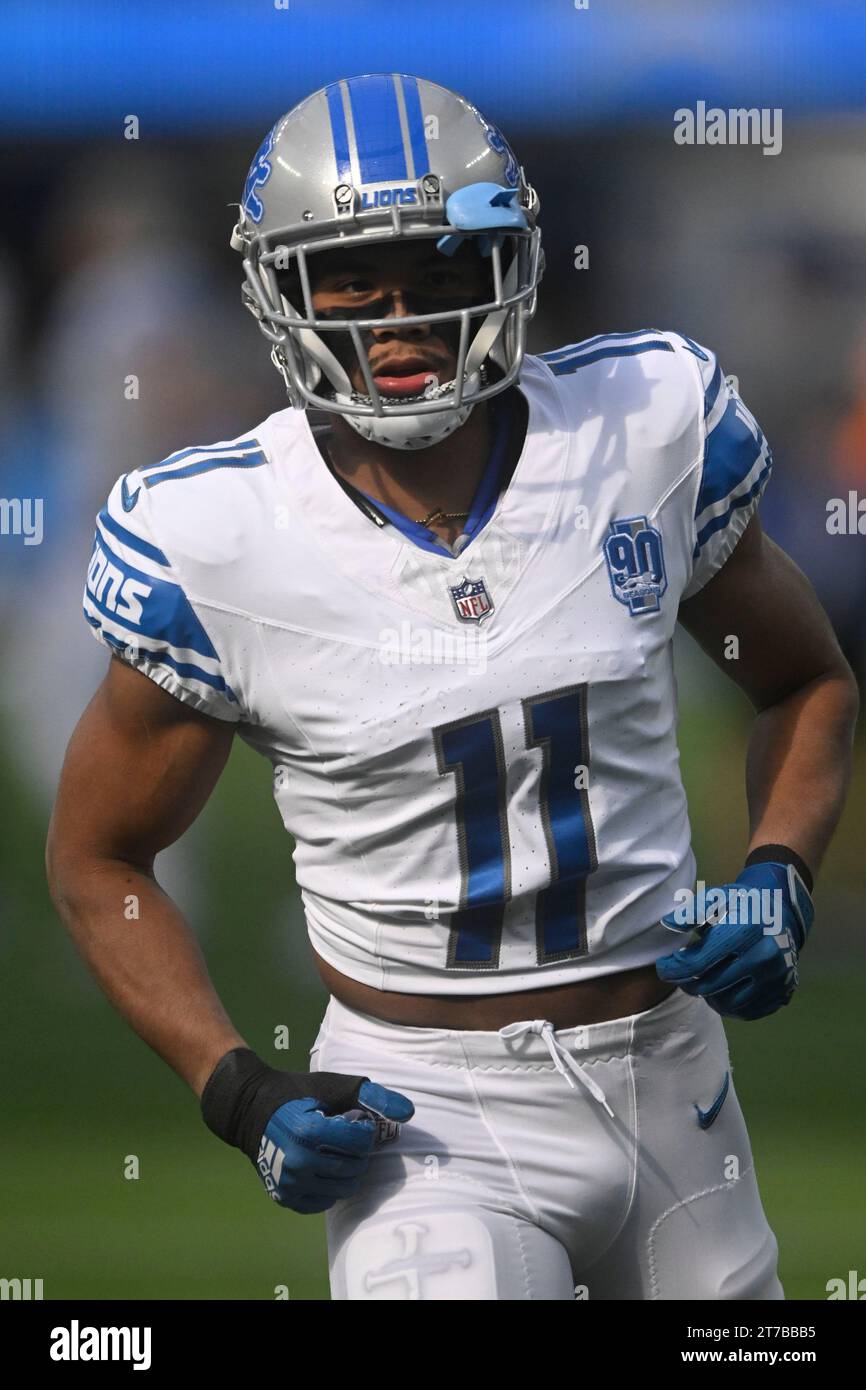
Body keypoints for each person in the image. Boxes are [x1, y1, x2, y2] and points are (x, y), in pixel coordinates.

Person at [47, 74, 858, 1301]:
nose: (399, 317)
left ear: (509, 260)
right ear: (281, 291)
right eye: (351, 281)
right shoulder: (214, 534)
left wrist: (777, 873)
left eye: (437, 268)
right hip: (427, 1118)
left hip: (672, 1076)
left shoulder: (640, 425)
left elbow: (803, 684)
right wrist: (236, 1084)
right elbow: (96, 858)